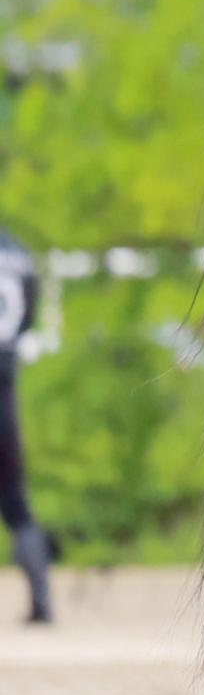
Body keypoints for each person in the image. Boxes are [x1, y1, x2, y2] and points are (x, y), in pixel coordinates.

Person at [0, 229, 55, 624]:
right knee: (16, 502)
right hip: (4, 385)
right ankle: (42, 602)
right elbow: (30, 317)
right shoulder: (18, 251)